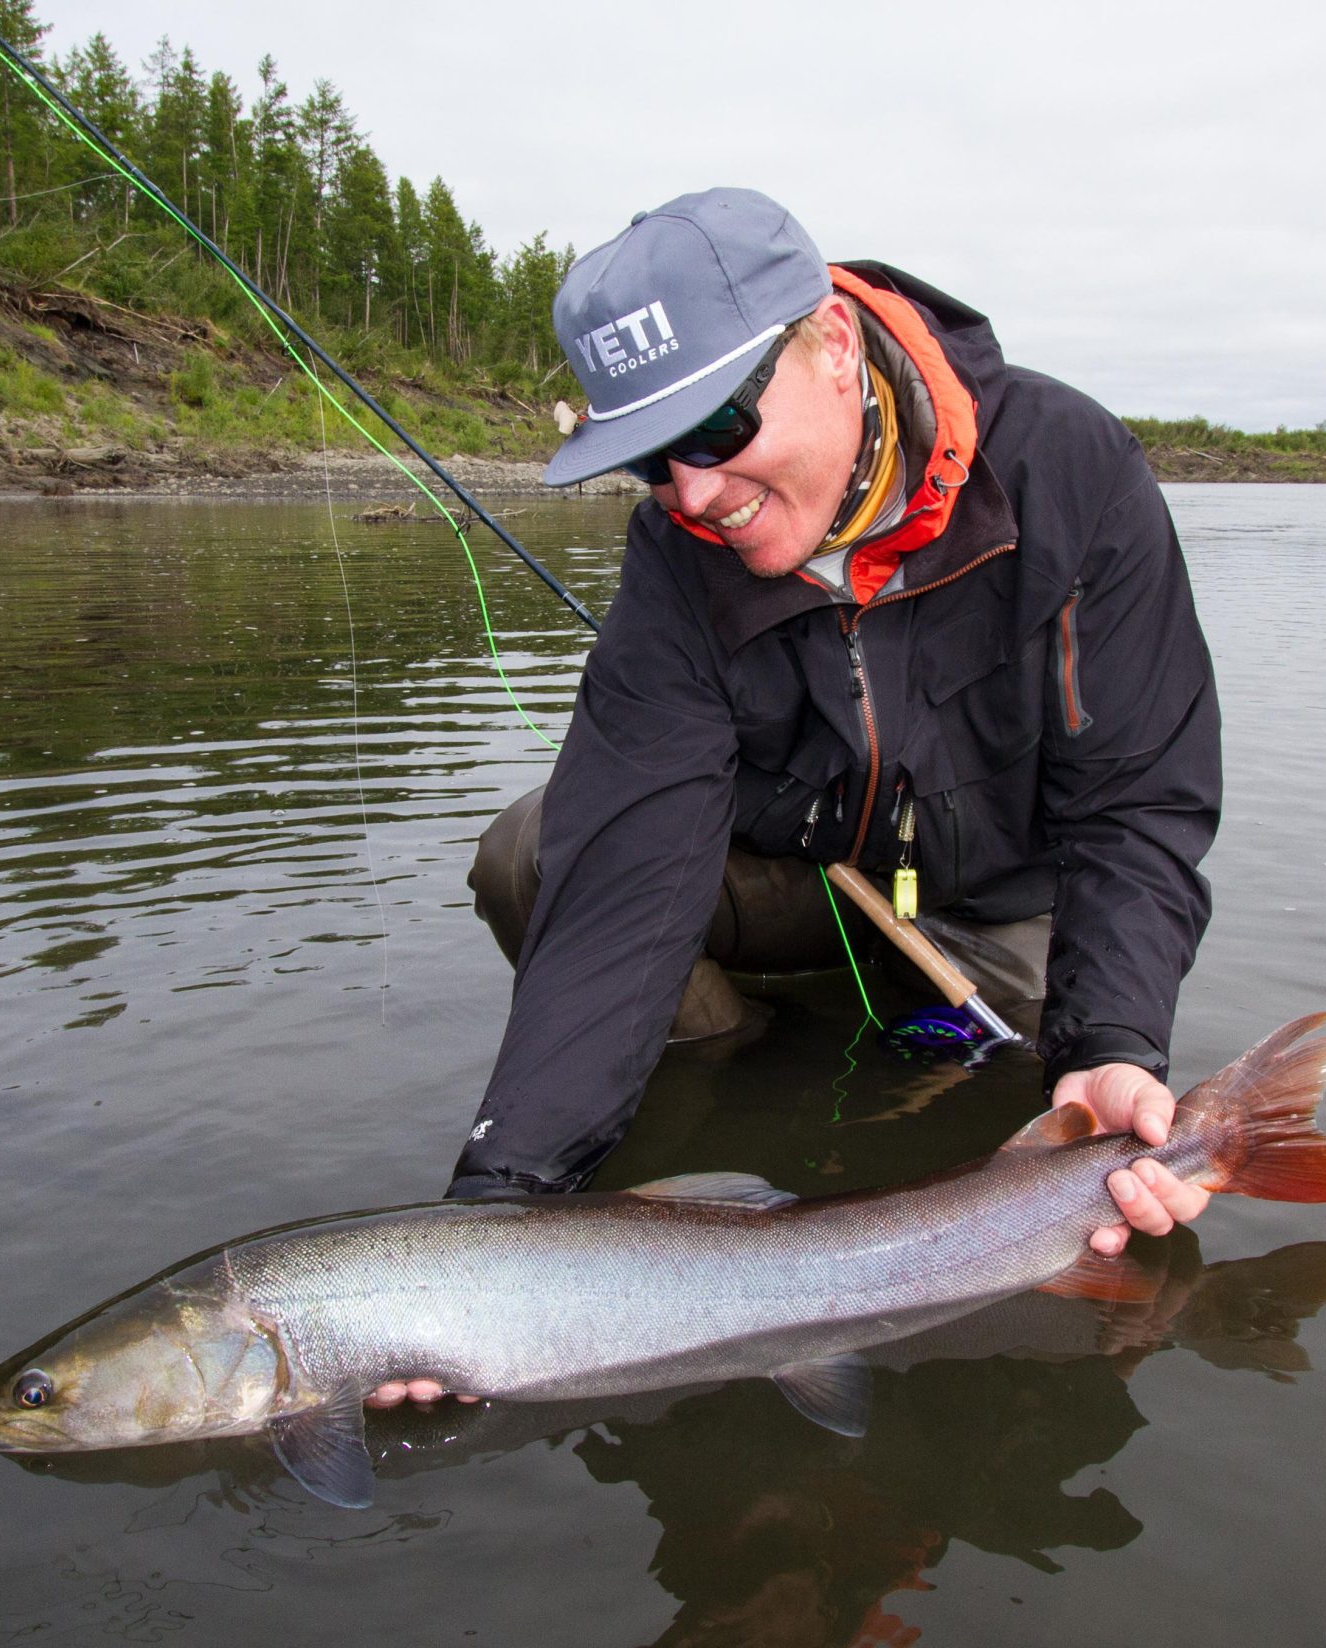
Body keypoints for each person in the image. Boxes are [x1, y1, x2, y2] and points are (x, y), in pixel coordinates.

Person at [372, 188, 1221, 1408]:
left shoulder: (1066, 469)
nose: (690, 492)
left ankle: (979, 1060)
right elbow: (625, 870)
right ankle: (731, 1062)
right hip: (803, 875)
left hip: (997, 899)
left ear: (830, 342)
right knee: (536, 849)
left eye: (717, 424)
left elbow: (1135, 807)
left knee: (1040, 1089)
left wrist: (1114, 1045)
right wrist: (502, 1206)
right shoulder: (675, 558)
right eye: (648, 455)